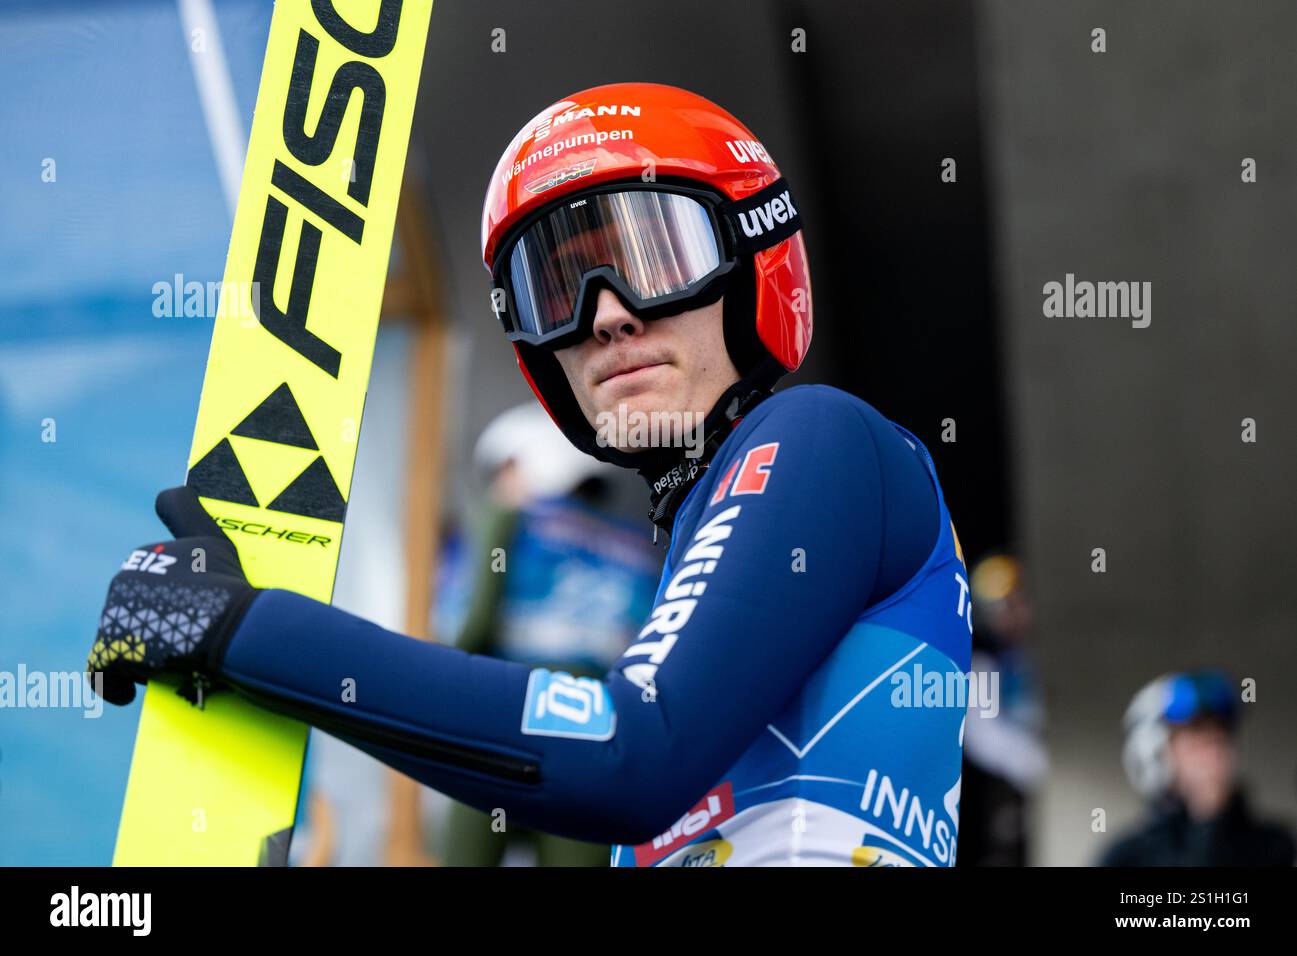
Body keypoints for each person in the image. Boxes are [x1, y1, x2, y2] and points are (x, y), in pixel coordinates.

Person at [87, 82, 972, 866]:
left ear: (753, 261)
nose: (609, 315)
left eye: (657, 256)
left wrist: (243, 633)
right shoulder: (690, 574)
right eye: (559, 286)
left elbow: (624, 754)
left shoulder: (825, 438)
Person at [440, 404, 659, 865]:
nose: (500, 485)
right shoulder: (637, 544)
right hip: (596, 725)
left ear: (533, 461)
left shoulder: (509, 519)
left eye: (507, 469)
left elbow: (473, 622)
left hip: (504, 714)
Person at [1098, 670, 1296, 867]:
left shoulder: (1274, 845)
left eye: (1220, 743)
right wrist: (1206, 820)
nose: (1213, 756)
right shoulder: (1126, 856)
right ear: (1157, 755)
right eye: (1197, 746)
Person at [958, 553, 1046, 866]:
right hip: (1007, 793)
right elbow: (984, 740)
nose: (1015, 613)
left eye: (1019, 602)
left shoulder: (1037, 656)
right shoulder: (981, 665)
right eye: (1004, 607)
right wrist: (1042, 765)